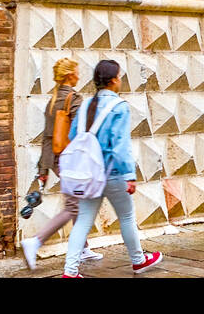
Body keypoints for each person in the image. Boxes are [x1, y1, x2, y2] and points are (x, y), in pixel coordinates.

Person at [62, 59, 163, 278]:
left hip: (89, 175)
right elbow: (120, 146)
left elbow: (73, 137)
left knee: (84, 221)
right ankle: (138, 260)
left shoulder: (86, 105)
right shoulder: (119, 106)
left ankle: (70, 272)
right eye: (120, 76)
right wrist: (130, 176)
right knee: (126, 217)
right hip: (113, 173)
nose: (121, 80)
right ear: (114, 80)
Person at [21, 58, 101, 270]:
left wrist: (43, 168)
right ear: (69, 76)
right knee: (73, 206)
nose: (79, 75)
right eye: (76, 72)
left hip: (56, 159)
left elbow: (47, 138)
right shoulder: (74, 99)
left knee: (77, 203)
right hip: (72, 160)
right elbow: (82, 132)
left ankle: (82, 248)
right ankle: (35, 241)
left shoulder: (53, 100)